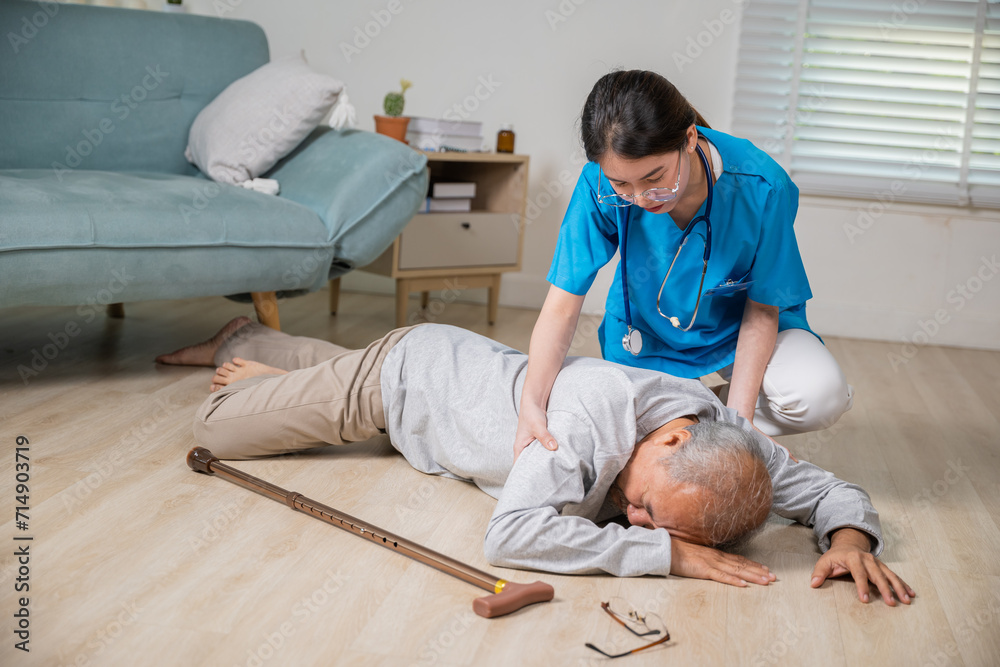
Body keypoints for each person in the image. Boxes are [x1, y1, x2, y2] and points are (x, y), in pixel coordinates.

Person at [157, 318, 913, 606]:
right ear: (668, 441)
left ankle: (252, 343)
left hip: (451, 390)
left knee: (324, 380)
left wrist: (851, 539)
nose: (635, 519)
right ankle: (265, 378)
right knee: (217, 423)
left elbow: (829, 489)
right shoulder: (592, 418)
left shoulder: (731, 444)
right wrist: (665, 554)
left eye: (654, 524)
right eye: (648, 507)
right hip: (405, 383)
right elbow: (510, 534)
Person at [515, 70, 854, 459]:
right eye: (621, 185)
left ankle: (695, 416)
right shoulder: (600, 181)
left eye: (654, 177)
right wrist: (531, 404)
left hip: (740, 331)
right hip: (647, 333)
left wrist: (738, 427)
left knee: (820, 396)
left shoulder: (762, 186)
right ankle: (689, 415)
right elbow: (562, 303)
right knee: (616, 434)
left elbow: (762, 310)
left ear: (689, 139)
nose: (641, 198)